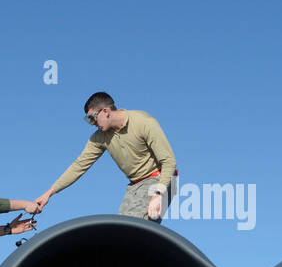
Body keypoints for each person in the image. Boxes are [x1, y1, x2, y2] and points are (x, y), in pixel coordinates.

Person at [34, 92, 177, 222]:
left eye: (92, 118)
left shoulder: (143, 122)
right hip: (135, 186)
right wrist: (49, 193)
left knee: (132, 230)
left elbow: (169, 161)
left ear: (106, 111)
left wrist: (159, 194)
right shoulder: (100, 137)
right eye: (88, 120)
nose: (92, 124)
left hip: (160, 178)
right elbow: (79, 166)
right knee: (119, 231)